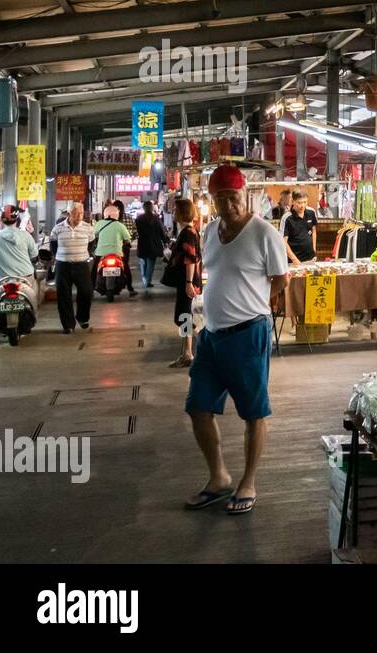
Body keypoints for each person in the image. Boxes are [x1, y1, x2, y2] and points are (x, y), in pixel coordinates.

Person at [184, 165, 290, 516]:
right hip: (211, 336)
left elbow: (281, 279)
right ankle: (219, 478)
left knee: (253, 412)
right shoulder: (210, 232)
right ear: (211, 201)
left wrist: (259, 302)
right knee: (198, 406)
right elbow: (213, 273)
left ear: (246, 196)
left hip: (248, 334)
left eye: (233, 198)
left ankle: (248, 481)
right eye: (220, 199)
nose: (228, 205)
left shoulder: (264, 233)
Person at [167, 198, 203, 369]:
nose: (173, 212)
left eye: (175, 210)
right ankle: (187, 353)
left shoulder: (188, 232)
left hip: (187, 281)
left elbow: (191, 259)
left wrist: (189, 282)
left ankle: (204, 341)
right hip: (186, 280)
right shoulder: (189, 231)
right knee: (184, 316)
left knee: (181, 317)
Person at [51, 202, 97, 333]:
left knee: (87, 292)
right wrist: (61, 256)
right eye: (76, 213)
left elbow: (91, 245)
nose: (79, 216)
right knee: (63, 296)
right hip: (63, 266)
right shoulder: (58, 228)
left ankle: (82, 317)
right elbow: (54, 247)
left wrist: (82, 255)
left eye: (81, 213)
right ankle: (68, 325)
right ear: (69, 213)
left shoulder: (88, 228)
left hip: (81, 265)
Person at [0, 205, 39, 301]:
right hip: (26, 278)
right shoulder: (26, 236)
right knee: (32, 305)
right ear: (17, 219)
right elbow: (34, 255)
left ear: (2, 219)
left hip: (4, 280)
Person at [93, 203, 136, 297]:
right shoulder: (120, 225)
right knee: (126, 268)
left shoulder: (99, 223)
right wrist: (127, 243)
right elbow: (127, 239)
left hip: (101, 252)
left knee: (94, 269)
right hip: (117, 252)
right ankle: (130, 288)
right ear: (117, 214)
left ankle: (91, 288)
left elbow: (93, 235)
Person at [135, 201, 170, 290]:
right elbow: (162, 231)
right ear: (151, 208)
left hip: (142, 244)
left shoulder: (139, 219)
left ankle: (144, 279)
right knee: (151, 263)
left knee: (143, 263)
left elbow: (136, 232)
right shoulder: (156, 219)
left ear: (143, 208)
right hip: (154, 244)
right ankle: (148, 280)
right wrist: (165, 241)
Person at [279, 190, 318, 264]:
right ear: (293, 201)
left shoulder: (311, 212)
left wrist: (314, 248)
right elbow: (283, 241)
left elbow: (313, 231)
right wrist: (295, 260)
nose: (302, 205)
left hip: (310, 258)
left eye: (305, 202)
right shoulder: (286, 218)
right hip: (293, 261)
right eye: (299, 203)